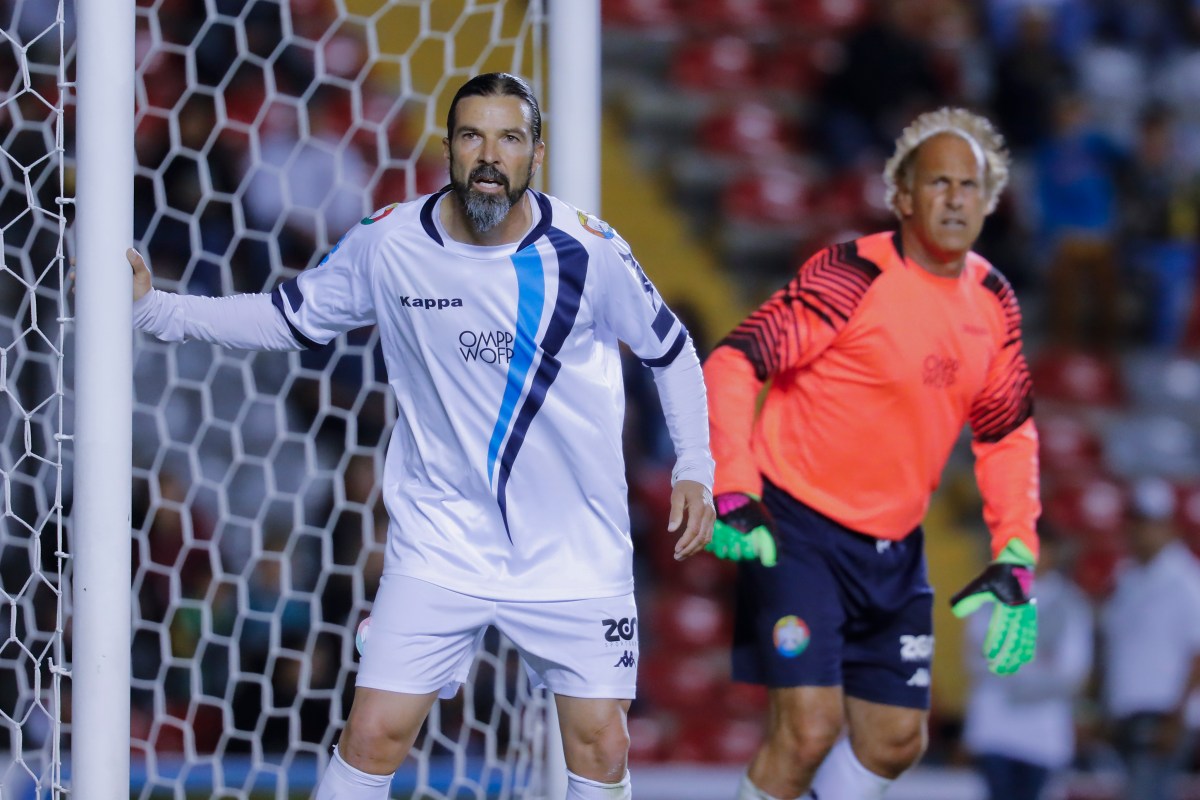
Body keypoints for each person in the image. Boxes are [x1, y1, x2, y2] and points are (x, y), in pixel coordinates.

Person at [127, 72, 716, 800]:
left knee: (600, 744)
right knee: (374, 732)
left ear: (536, 153)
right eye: (473, 136)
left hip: (573, 544)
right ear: (448, 148)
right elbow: (285, 318)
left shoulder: (587, 251)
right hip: (442, 539)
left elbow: (670, 349)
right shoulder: (391, 241)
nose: (490, 155)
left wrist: (695, 464)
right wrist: (159, 312)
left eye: (509, 138)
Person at [702, 107, 1041, 800]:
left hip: (894, 546)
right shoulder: (851, 274)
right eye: (937, 183)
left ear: (989, 199)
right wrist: (735, 489)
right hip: (798, 528)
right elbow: (734, 363)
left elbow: (1006, 432)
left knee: (895, 741)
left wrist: (1017, 551)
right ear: (904, 197)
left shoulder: (994, 300)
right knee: (807, 730)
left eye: (969, 186)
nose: (953, 198)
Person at [962, 526, 1093, 800]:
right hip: (995, 726)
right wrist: (1037, 661)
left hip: (1043, 732)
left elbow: (1072, 673)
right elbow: (976, 657)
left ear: (1055, 553)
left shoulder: (1070, 603)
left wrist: (1014, 667)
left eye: (1042, 548)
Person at [1101, 476, 1200, 800]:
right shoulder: (1127, 576)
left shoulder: (1186, 578)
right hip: (1126, 708)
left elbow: (1197, 650)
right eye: (1135, 521)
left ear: (1168, 525)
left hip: (1164, 712)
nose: (1139, 531)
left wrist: (1177, 717)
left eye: (1148, 523)